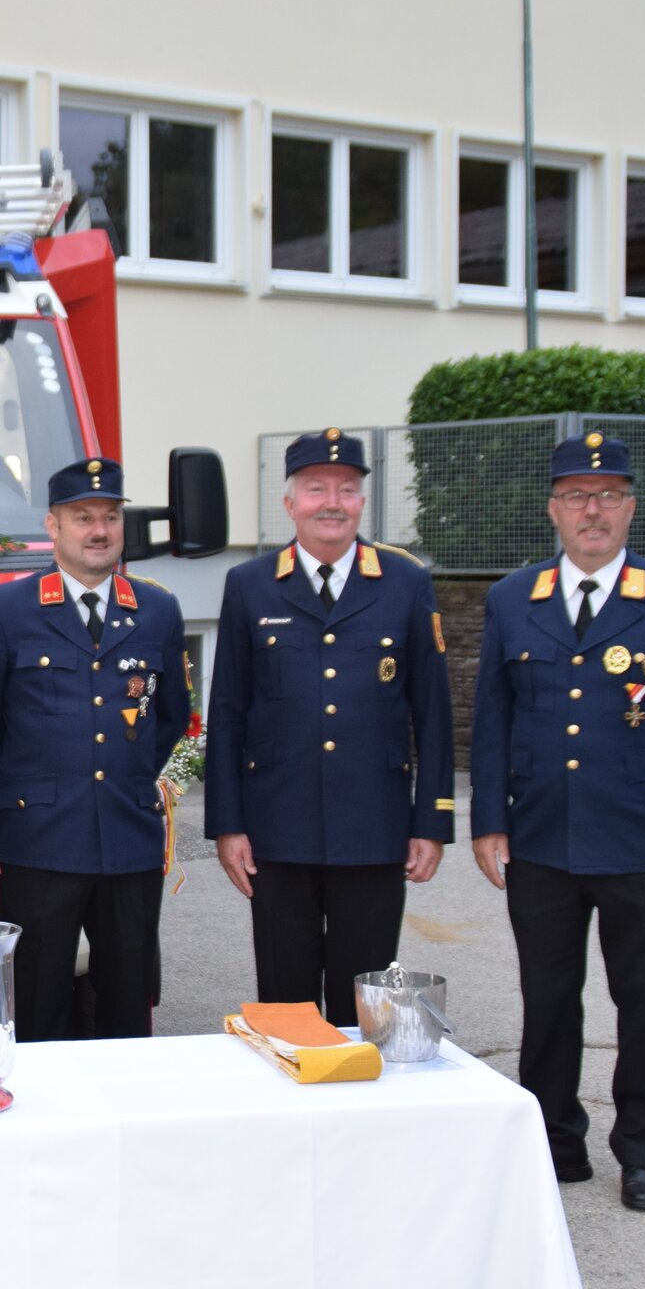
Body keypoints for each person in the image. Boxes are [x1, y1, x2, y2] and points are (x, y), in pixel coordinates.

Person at [470, 434, 645, 1213]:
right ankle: (555, 1139)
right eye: (578, 496)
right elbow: (493, 717)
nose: (594, 510)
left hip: (642, 839)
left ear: (630, 508)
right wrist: (490, 819)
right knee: (548, 996)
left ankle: (644, 1151)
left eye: (609, 495)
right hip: (542, 836)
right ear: (553, 509)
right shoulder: (514, 597)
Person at [203, 430, 454, 1028]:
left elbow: (433, 712)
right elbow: (229, 711)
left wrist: (432, 821)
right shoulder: (251, 585)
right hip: (277, 828)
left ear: (363, 502)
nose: (332, 501)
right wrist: (227, 826)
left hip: (375, 825)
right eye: (316, 489)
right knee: (285, 1001)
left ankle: (361, 1112)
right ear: (290, 504)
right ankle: (293, 1117)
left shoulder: (405, 582)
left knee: (365, 1002)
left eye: (347, 489)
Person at [0, 457, 190, 1041]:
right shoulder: (6, 610)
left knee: (127, 1003)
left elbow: (173, 721)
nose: (99, 529)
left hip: (129, 839)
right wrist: (13, 801)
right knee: (38, 1005)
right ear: (53, 526)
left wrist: (142, 782)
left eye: (111, 517)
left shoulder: (159, 610)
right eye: (83, 516)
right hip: (39, 839)